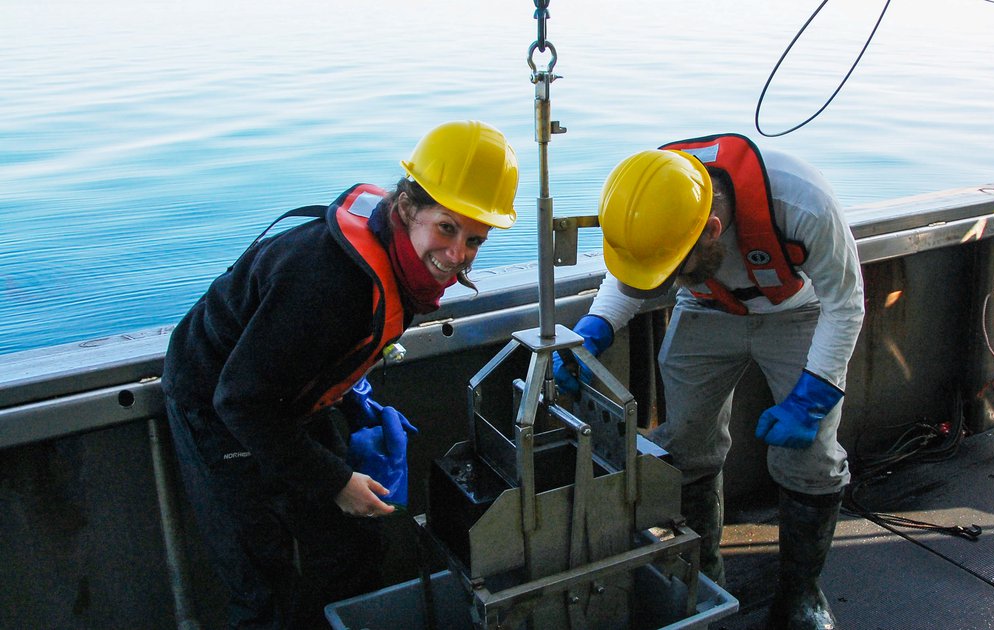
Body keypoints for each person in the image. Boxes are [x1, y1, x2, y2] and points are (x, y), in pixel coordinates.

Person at [161, 120, 519, 628]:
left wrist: (352, 396)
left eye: (475, 240)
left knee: (352, 546)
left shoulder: (405, 264)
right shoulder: (327, 282)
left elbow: (330, 350)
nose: (457, 255)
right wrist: (335, 480)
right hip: (216, 400)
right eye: (447, 227)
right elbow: (239, 400)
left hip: (286, 395)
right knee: (262, 579)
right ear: (406, 208)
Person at [554, 133, 864, 629]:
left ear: (713, 229)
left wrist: (813, 396)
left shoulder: (801, 201)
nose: (666, 279)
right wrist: (597, 326)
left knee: (813, 457)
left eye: (677, 267)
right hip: (706, 308)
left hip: (799, 313)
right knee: (686, 443)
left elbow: (846, 304)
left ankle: (802, 594)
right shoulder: (656, 194)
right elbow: (637, 266)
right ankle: (702, 576)